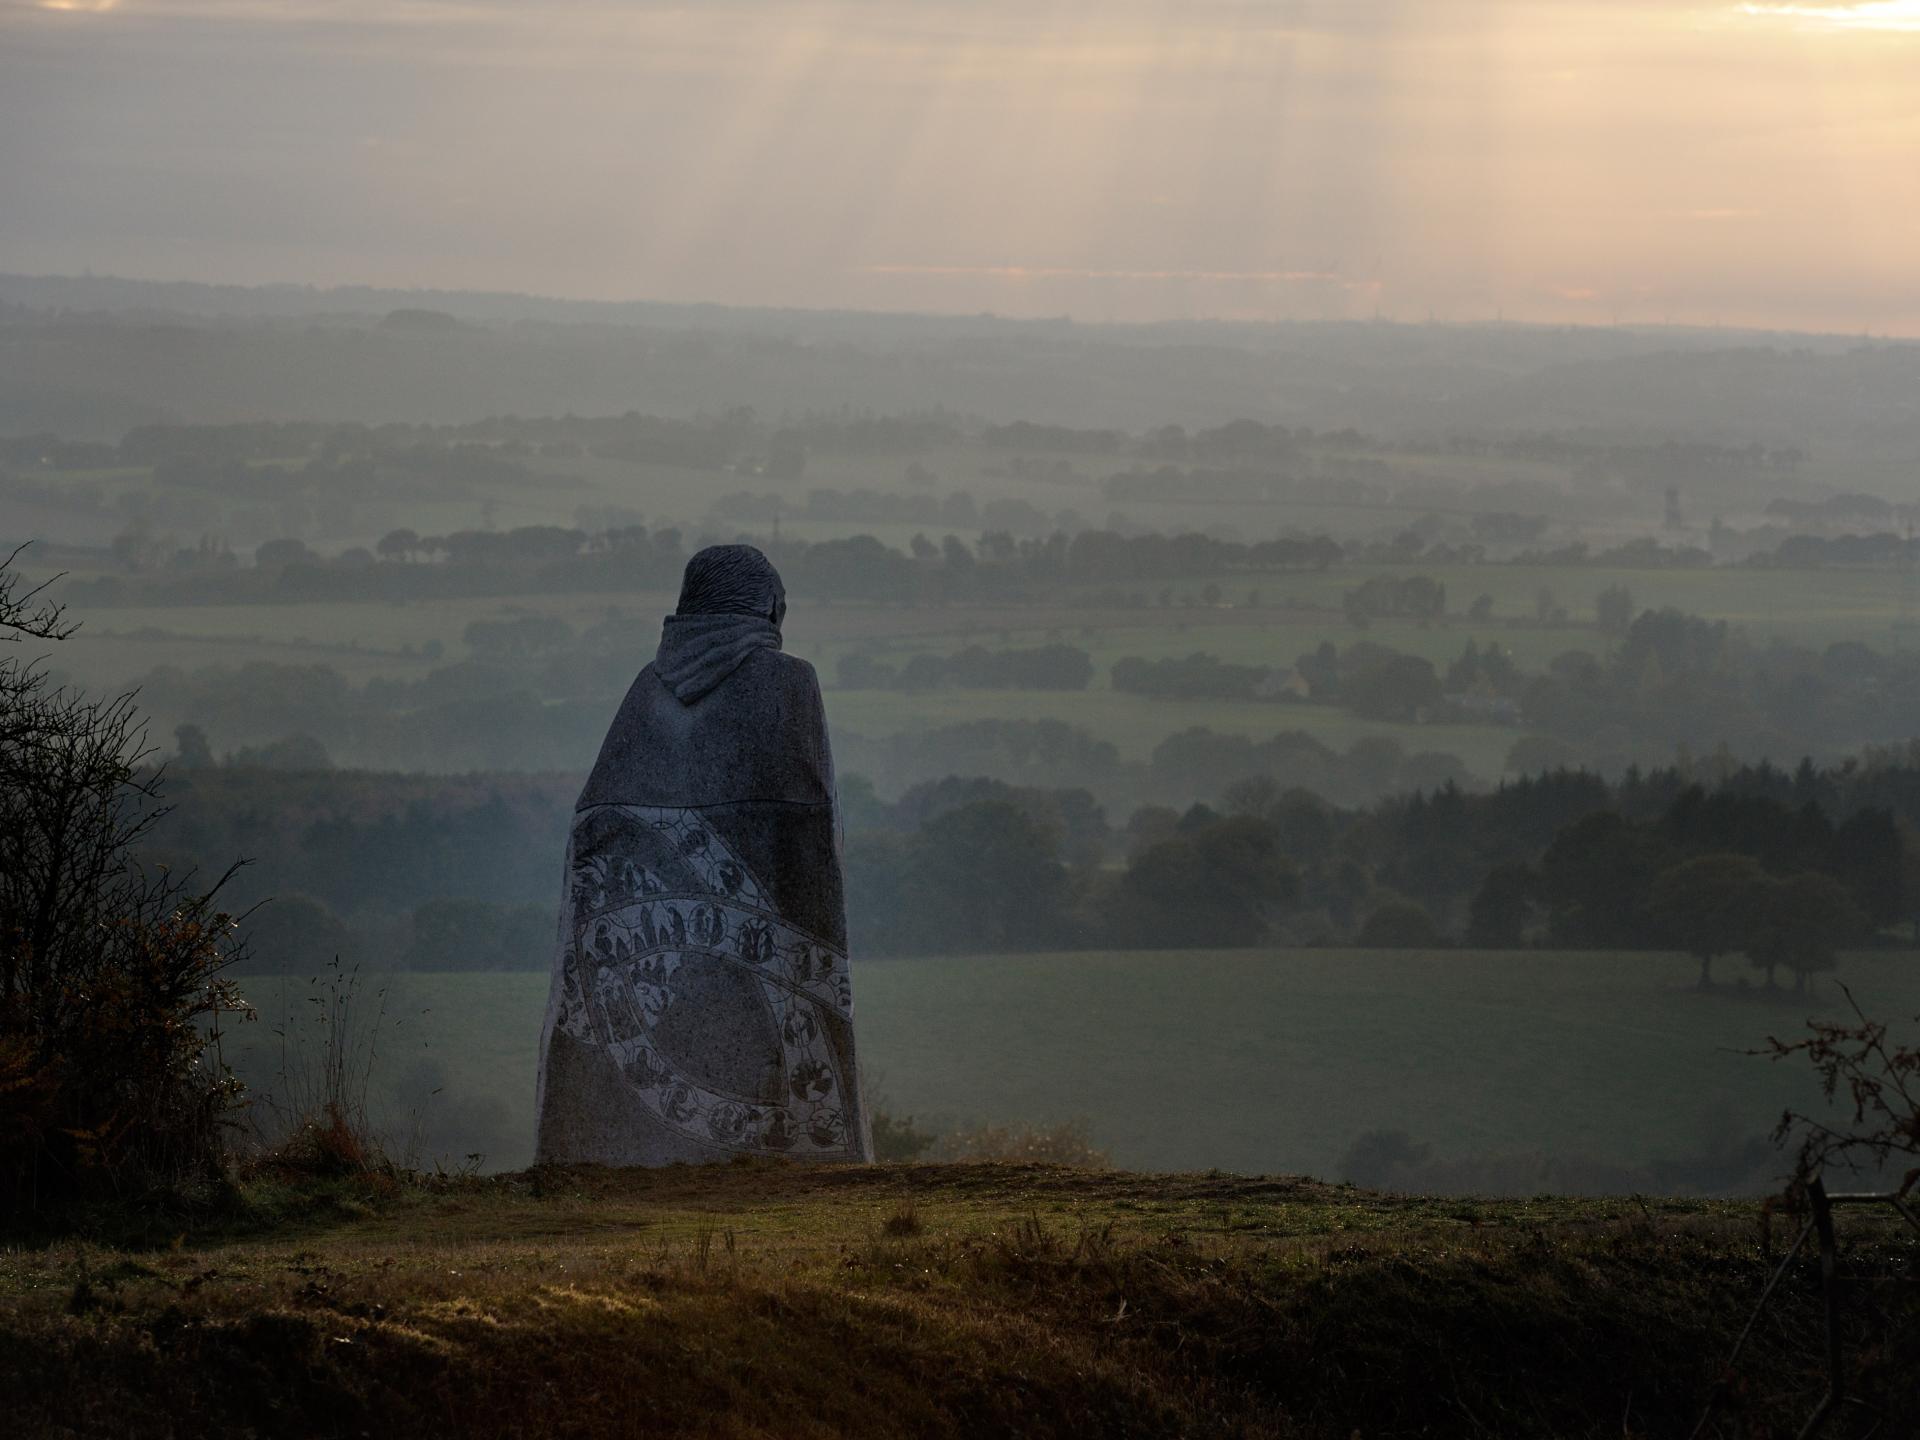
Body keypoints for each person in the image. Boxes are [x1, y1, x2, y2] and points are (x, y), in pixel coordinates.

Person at [535, 545, 871, 1164]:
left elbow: (597, 824)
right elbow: (811, 827)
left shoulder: (644, 690)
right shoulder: (791, 682)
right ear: (766, 608)